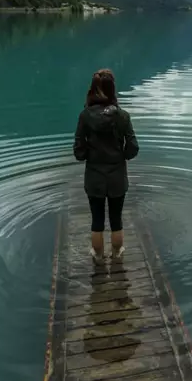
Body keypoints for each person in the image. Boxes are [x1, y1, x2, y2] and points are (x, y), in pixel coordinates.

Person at [73, 69, 139, 263]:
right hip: (117, 176)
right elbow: (133, 147)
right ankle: (117, 253)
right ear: (112, 90)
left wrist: (89, 155)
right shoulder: (123, 116)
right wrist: (121, 156)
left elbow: (78, 151)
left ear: (93, 89)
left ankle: (98, 255)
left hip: (94, 176)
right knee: (116, 219)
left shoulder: (85, 116)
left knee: (97, 220)